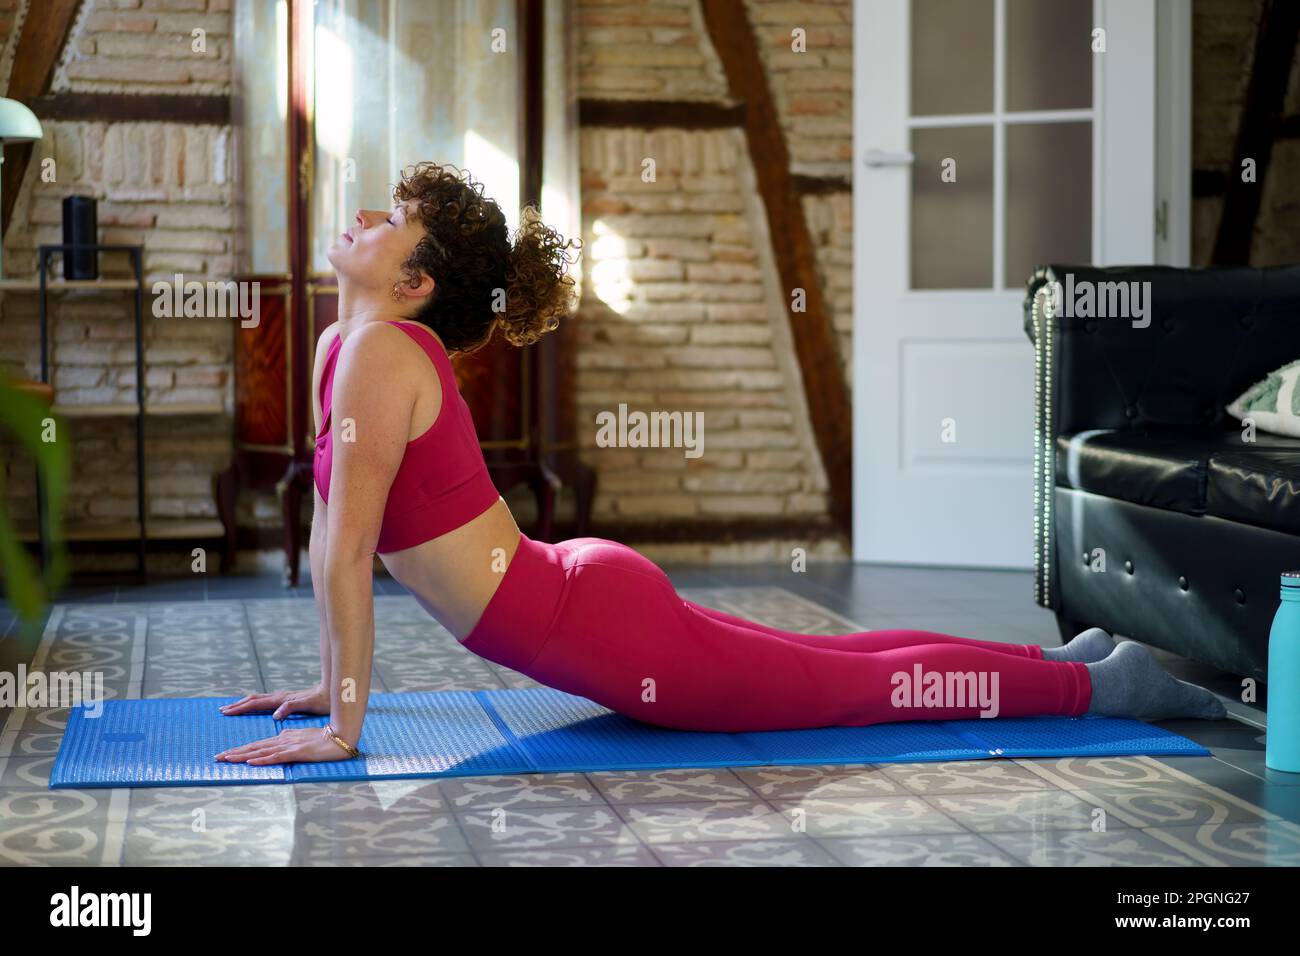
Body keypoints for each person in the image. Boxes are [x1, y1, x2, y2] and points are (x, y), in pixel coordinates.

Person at [215, 162, 1225, 766]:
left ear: (416, 278)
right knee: (836, 665)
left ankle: (1099, 688)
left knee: (851, 690)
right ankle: (1063, 662)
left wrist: (343, 722)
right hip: (584, 598)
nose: (363, 217)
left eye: (390, 219)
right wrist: (326, 685)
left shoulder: (381, 354)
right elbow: (333, 537)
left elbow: (348, 553)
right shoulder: (343, 349)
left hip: (595, 625)